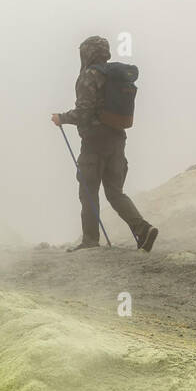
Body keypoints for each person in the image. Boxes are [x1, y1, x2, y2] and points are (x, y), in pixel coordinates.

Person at [52, 36, 158, 252]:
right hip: (118, 139)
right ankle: (143, 229)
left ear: (87, 53)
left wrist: (61, 118)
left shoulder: (89, 75)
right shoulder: (115, 75)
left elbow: (83, 112)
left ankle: (90, 241)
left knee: (88, 191)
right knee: (115, 192)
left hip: (94, 142)